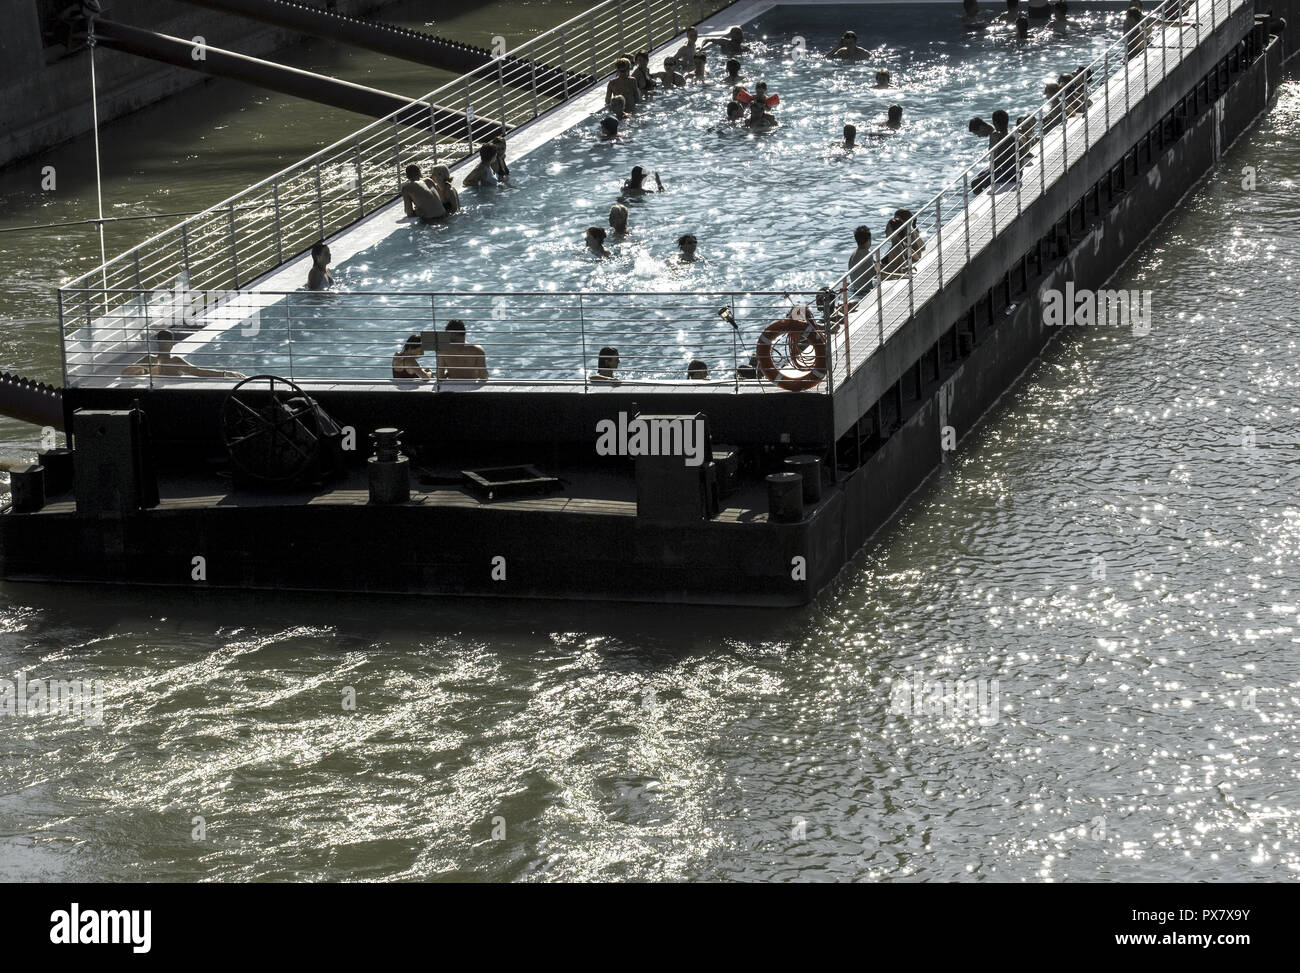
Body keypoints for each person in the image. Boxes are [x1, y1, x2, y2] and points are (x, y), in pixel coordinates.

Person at [122, 329, 246, 379]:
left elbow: (125, 372)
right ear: (171, 344)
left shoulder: (149, 359)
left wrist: (144, 370)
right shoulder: (175, 361)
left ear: (157, 344)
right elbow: (199, 372)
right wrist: (225, 373)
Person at [882, 209, 924, 276]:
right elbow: (917, 257)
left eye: (887, 229)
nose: (885, 231)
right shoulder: (902, 244)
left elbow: (893, 270)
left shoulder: (898, 247)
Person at [848, 225, 877, 295]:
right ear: (868, 240)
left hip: (855, 291)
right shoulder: (867, 254)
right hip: (865, 291)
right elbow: (875, 274)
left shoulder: (853, 254)